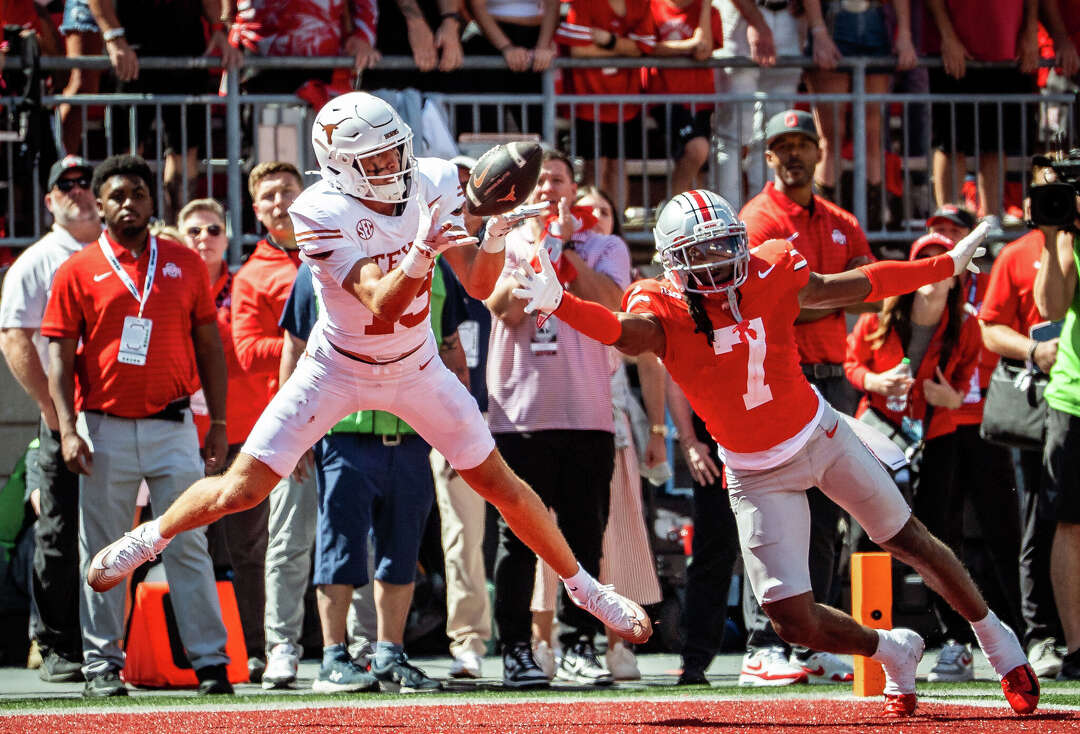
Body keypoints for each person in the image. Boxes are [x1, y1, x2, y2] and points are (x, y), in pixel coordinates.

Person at [82, 93, 652, 684]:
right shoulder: (317, 209)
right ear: (338, 168)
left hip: (417, 364)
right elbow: (380, 304)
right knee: (241, 490)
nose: (391, 168)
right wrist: (425, 245)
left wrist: (488, 238)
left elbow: (480, 287)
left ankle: (587, 590)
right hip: (338, 365)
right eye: (374, 161)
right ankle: (151, 536)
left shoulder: (432, 178)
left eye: (394, 152)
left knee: (499, 483)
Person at [510, 187, 1038, 716]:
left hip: (821, 436)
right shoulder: (661, 303)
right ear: (673, 259)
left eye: (723, 245)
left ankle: (1000, 645)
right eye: (702, 251)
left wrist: (943, 264)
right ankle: (890, 649)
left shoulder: (772, 266)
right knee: (792, 622)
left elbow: (855, 284)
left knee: (909, 539)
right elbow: (626, 335)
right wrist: (564, 304)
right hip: (755, 473)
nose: (718, 261)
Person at [41, 154, 234, 697]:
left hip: (173, 425)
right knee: (103, 549)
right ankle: (102, 664)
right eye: (118, 196)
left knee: (189, 540)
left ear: (154, 201)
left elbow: (209, 345)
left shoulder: (184, 263)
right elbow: (57, 354)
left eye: (139, 194)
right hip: (102, 427)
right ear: (99, 206)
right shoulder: (77, 269)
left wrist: (216, 420)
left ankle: (211, 662)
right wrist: (67, 428)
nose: (129, 204)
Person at [277, 260, 464, 693]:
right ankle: (333, 657)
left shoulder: (437, 268)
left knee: (402, 548)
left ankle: (389, 654)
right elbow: (295, 346)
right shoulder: (324, 262)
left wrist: (457, 424)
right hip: (345, 432)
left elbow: (451, 347)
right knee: (339, 546)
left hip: (412, 431)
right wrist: (294, 428)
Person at [486, 150, 632, 689]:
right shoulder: (506, 241)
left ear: (575, 187)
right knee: (516, 537)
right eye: (539, 180)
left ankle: (578, 643)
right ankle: (517, 650)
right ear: (524, 191)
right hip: (519, 413)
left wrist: (569, 248)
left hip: (586, 412)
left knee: (583, 535)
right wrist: (540, 248)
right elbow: (504, 308)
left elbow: (612, 305)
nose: (549, 187)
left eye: (558, 179)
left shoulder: (607, 244)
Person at [736, 108, 872, 686]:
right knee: (771, 505)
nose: (792, 155)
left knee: (827, 514)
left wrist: (823, 294)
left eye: (801, 145)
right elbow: (779, 301)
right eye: (781, 147)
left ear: (820, 152)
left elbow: (869, 298)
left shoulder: (841, 219)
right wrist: (834, 291)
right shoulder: (758, 217)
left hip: (833, 375)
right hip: (779, 377)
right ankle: (762, 642)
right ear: (768, 157)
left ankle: (813, 639)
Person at [527, 186, 665, 682]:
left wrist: (657, 428)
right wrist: (551, 242)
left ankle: (616, 642)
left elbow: (633, 337)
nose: (594, 216)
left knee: (614, 531)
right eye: (587, 209)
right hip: (541, 410)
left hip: (606, 412)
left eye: (604, 209)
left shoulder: (612, 257)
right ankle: (544, 642)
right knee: (540, 533)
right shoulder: (529, 242)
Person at [845, 232, 990, 682]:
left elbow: (965, 386)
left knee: (939, 533)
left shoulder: (965, 324)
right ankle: (870, 637)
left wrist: (947, 396)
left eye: (942, 260)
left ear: (955, 277)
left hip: (936, 433)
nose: (933, 267)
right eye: (924, 259)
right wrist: (876, 382)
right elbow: (852, 364)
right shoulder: (882, 317)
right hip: (877, 430)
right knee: (866, 530)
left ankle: (955, 642)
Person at [0, 155, 100, 684]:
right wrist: (52, 410)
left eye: (87, 182)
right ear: (49, 200)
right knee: (59, 530)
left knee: (117, 532)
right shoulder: (38, 260)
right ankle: (57, 644)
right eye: (68, 185)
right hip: (68, 414)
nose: (80, 192)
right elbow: (15, 337)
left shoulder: (124, 251)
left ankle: (110, 643)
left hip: (121, 412)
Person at [924, 205, 1025, 679]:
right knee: (941, 535)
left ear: (972, 240)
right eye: (936, 231)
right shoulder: (926, 281)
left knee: (1005, 530)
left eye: (953, 231)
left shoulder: (989, 282)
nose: (944, 237)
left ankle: (1026, 633)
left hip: (986, 423)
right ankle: (955, 638)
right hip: (939, 426)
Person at [228, 161, 312, 690]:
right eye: (269, 197)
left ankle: (356, 648)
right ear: (256, 211)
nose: (280, 203)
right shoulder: (252, 275)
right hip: (286, 428)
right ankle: (278, 645)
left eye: (288, 192)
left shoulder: (337, 250)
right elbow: (245, 350)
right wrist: (302, 341)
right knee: (285, 542)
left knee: (354, 540)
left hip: (350, 420)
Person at [178, 198, 270, 682]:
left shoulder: (245, 287)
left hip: (243, 439)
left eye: (213, 228)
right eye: (192, 229)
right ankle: (198, 652)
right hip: (183, 440)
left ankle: (255, 649)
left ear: (227, 236)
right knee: (190, 548)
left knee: (248, 550)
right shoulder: (171, 290)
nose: (204, 237)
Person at [979, 181, 1065, 678]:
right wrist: (1035, 350)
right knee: (1040, 517)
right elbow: (989, 327)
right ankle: (1041, 634)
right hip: (1043, 399)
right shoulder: (1016, 253)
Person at [87, 0, 242, 222]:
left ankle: (179, 230)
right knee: (127, 154)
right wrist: (114, 39)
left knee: (184, 150)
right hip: (133, 52)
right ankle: (127, 229)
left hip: (187, 50)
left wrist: (218, 30)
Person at [434, 154, 495, 680]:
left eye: (468, 184)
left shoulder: (511, 243)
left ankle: (541, 639)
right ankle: (469, 641)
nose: (460, 195)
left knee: (540, 529)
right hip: (454, 414)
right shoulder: (426, 250)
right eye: (450, 186)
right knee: (462, 536)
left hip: (522, 412)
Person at [801, 0, 917, 229]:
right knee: (831, 135)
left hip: (873, 20)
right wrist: (818, 30)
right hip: (834, 20)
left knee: (872, 134)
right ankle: (824, 227)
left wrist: (904, 33)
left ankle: (870, 231)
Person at [923, 0, 1039, 225]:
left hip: (1007, 48)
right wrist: (948, 36)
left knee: (996, 142)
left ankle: (991, 222)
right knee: (950, 141)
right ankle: (946, 224)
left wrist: (1029, 30)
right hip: (954, 51)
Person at [1031, 186, 1080, 682]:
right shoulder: (1069, 237)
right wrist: (1052, 238)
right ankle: (1078, 645)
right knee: (1069, 523)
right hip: (1074, 396)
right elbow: (1052, 308)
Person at [554, 0, 656, 208]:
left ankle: (615, 229)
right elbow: (578, 51)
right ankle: (592, 230)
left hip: (625, 104)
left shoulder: (641, 4)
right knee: (595, 168)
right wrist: (625, 49)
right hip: (588, 103)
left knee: (619, 168)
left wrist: (608, 40)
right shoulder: (583, 4)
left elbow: (644, 47)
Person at [714, 0, 804, 207]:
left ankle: (765, 218)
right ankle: (728, 225)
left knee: (775, 134)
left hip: (788, 17)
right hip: (740, 18)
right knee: (732, 134)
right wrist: (757, 22)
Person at [646, 0, 723, 197]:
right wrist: (688, 45)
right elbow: (647, 47)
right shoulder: (651, 7)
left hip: (701, 100)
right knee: (697, 149)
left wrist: (705, 6)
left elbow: (703, 51)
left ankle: (696, 221)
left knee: (700, 169)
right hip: (666, 98)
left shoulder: (709, 11)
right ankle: (675, 212)